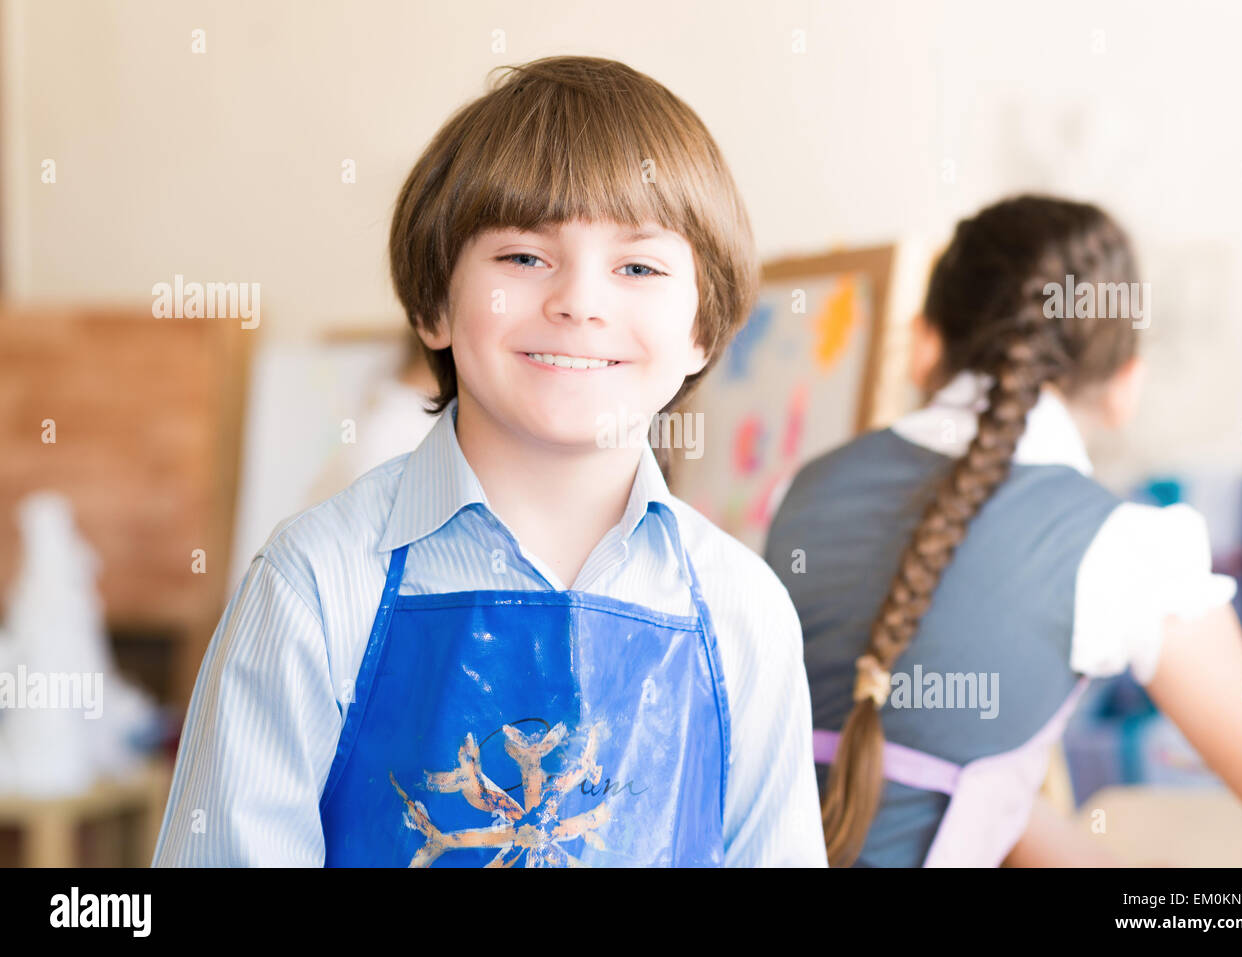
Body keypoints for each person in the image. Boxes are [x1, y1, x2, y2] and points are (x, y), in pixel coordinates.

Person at [152, 55, 826, 867]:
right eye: (523, 257)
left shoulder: (742, 610)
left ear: (702, 330)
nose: (579, 301)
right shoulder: (316, 583)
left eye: (638, 267)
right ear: (434, 302)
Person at [764, 194, 1242, 866]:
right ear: (1125, 382)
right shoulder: (1124, 547)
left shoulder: (797, 492)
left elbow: (950, 781)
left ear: (925, 343)